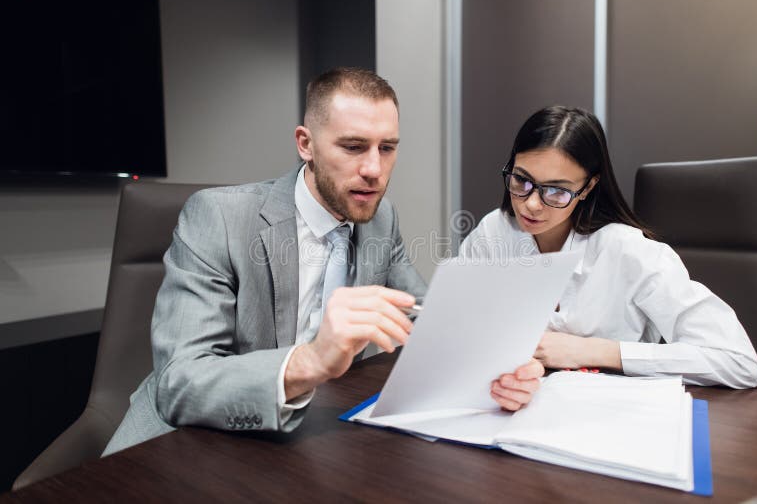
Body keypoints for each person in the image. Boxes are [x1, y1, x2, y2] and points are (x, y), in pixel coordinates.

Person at [104, 68, 541, 455]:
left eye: (387, 148)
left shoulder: (380, 218)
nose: (374, 169)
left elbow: (425, 315)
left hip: (301, 442)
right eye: (353, 147)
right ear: (305, 144)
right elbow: (179, 384)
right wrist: (312, 361)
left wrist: (498, 365)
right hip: (179, 447)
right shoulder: (217, 217)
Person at [460, 106, 757, 389]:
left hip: (610, 419)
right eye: (521, 180)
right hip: (508, 409)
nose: (532, 203)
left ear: (588, 187)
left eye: (556, 190)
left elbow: (739, 362)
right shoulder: (494, 232)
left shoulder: (628, 251)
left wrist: (597, 351)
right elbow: (460, 332)